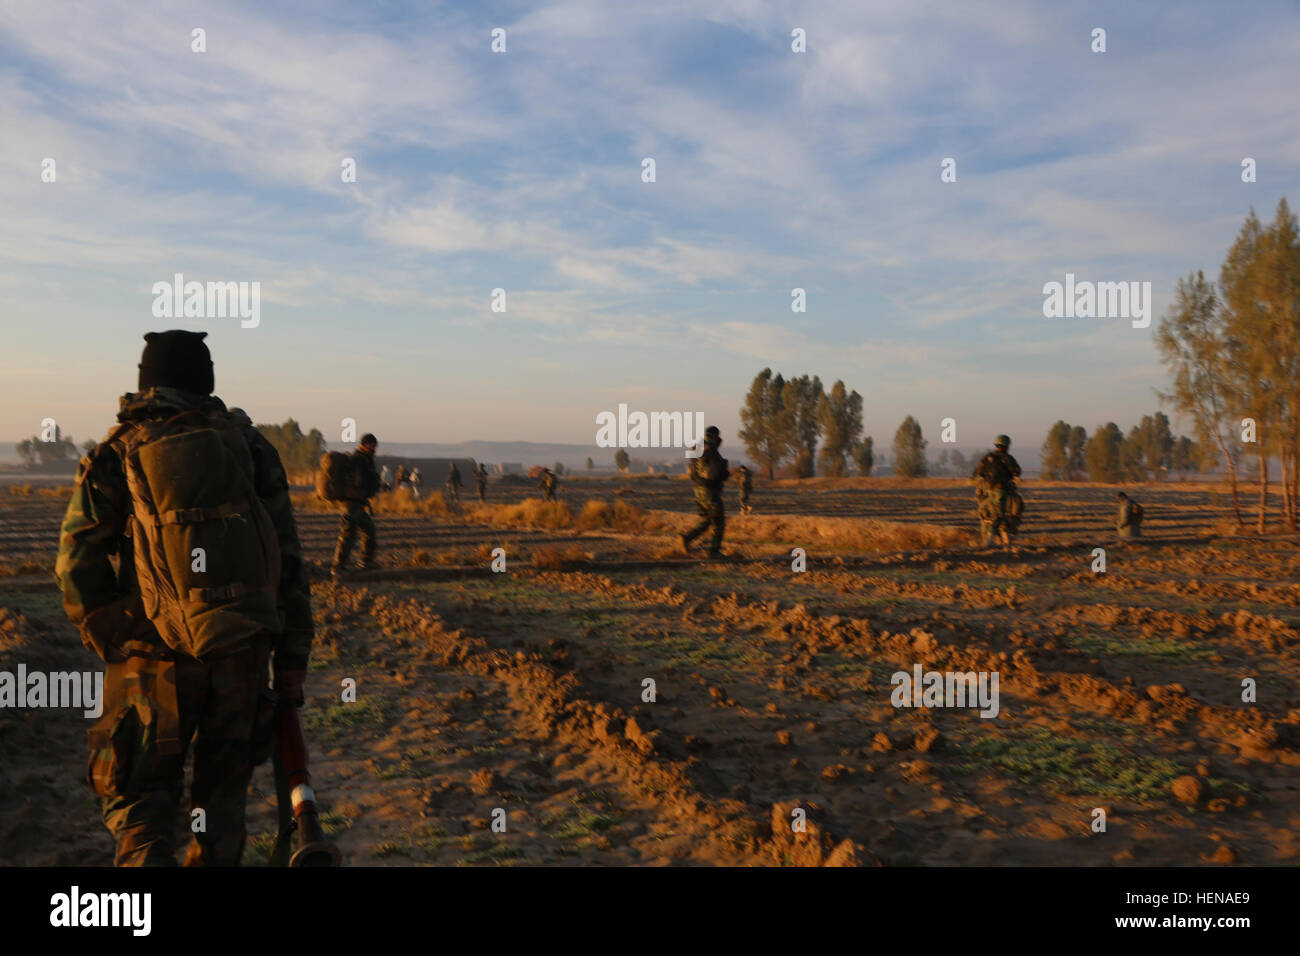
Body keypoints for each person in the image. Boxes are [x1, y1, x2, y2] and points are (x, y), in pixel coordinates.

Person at [54, 330, 314, 866]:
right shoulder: (249, 447)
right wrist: (290, 662)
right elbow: (287, 564)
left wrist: (119, 635)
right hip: (240, 656)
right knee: (220, 810)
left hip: (152, 664)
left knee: (142, 799)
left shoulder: (118, 451)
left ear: (146, 380)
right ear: (206, 379)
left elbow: (75, 563)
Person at [331, 433, 381, 576]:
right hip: (351, 503)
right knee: (349, 534)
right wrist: (362, 490)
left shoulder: (363, 459)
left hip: (356, 503)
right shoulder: (359, 460)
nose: (374, 448)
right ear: (365, 444)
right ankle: (338, 567)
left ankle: (365, 561)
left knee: (367, 530)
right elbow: (356, 480)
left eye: (375, 445)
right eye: (372, 445)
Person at [679, 426, 730, 558]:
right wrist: (725, 472)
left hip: (698, 490)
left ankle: (687, 538)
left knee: (708, 520)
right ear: (714, 436)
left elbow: (694, 470)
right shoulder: (711, 450)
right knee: (719, 521)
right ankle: (714, 551)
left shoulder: (696, 449)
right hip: (710, 490)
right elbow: (717, 472)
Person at [972, 434, 1022, 547]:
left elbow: (978, 473)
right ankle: (994, 543)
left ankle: (996, 542)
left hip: (985, 493)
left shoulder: (987, 458)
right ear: (1006, 446)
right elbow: (1016, 472)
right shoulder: (1007, 459)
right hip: (1001, 492)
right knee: (1002, 517)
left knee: (989, 516)